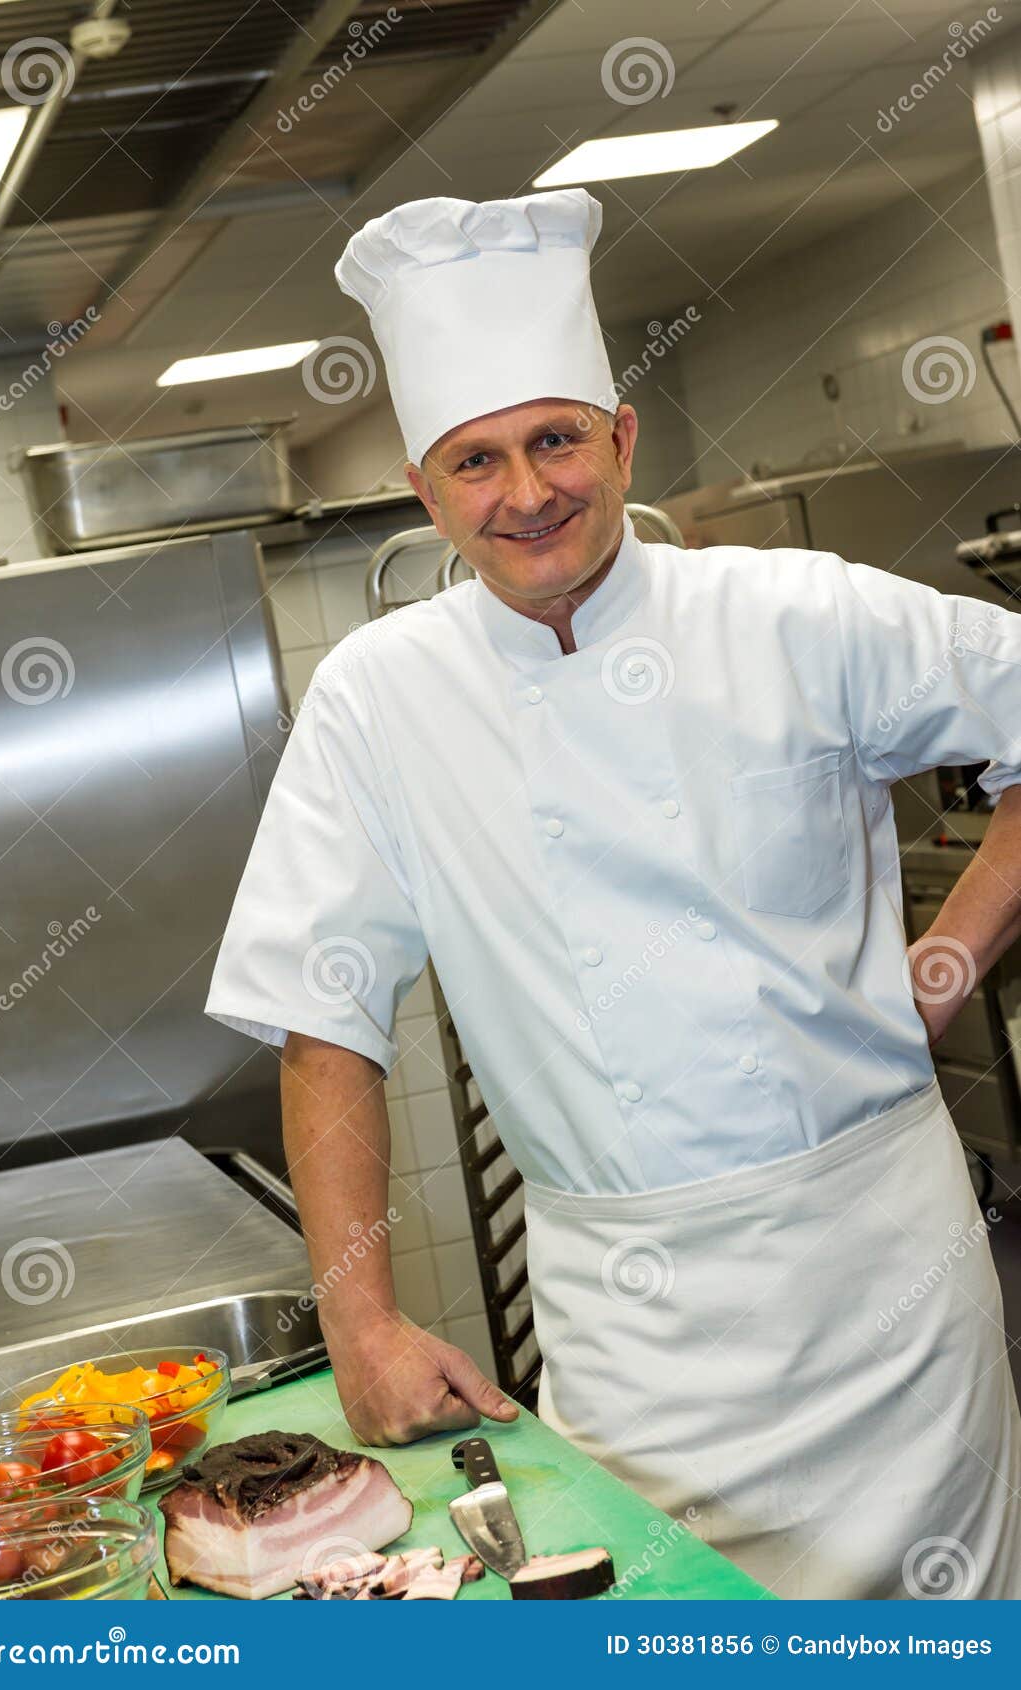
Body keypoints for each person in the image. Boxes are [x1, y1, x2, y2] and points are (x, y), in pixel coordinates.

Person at [207, 188, 1021, 1598]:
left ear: (619, 436)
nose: (524, 493)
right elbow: (320, 1010)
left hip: (881, 1279)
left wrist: (946, 961)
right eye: (476, 460)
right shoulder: (378, 702)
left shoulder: (797, 613)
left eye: (554, 439)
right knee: (654, 1625)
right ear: (426, 485)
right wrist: (361, 1322)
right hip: (628, 1322)